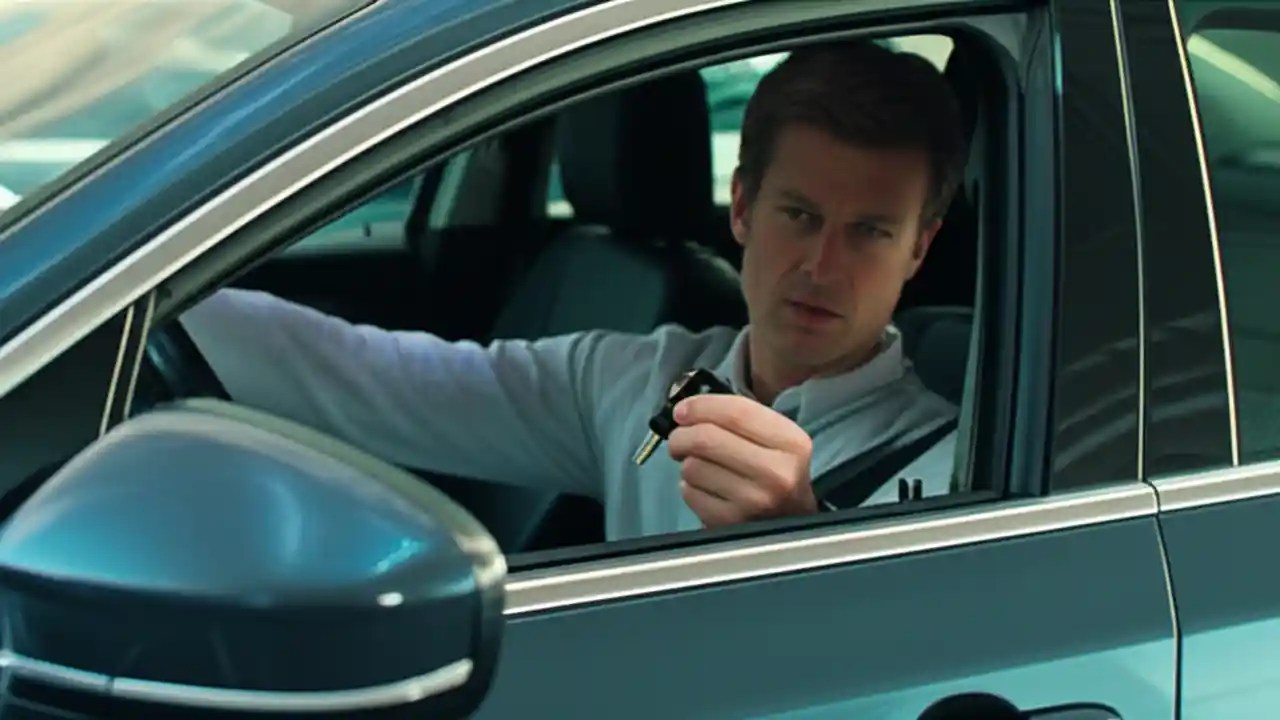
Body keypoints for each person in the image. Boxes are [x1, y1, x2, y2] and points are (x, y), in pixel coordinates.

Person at [179, 39, 967, 541]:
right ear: (741, 209)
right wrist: (155, 295)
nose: (823, 265)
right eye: (800, 215)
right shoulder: (632, 380)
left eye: (870, 232)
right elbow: (370, 377)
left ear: (919, 248)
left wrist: (803, 534)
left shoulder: (962, 464)